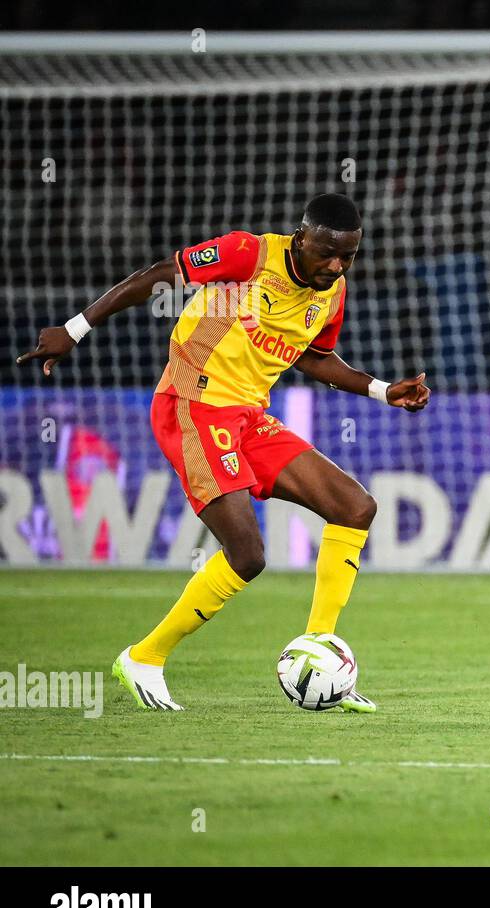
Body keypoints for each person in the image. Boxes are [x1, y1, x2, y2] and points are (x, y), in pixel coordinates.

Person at [17, 193, 431, 712]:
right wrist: (74, 330)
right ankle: (144, 657)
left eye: (346, 256)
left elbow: (316, 359)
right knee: (248, 555)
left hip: (248, 417)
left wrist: (383, 390)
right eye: (326, 252)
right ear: (301, 238)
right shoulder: (248, 255)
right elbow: (160, 274)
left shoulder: (333, 291)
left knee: (355, 506)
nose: (334, 265)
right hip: (192, 403)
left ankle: (315, 651)